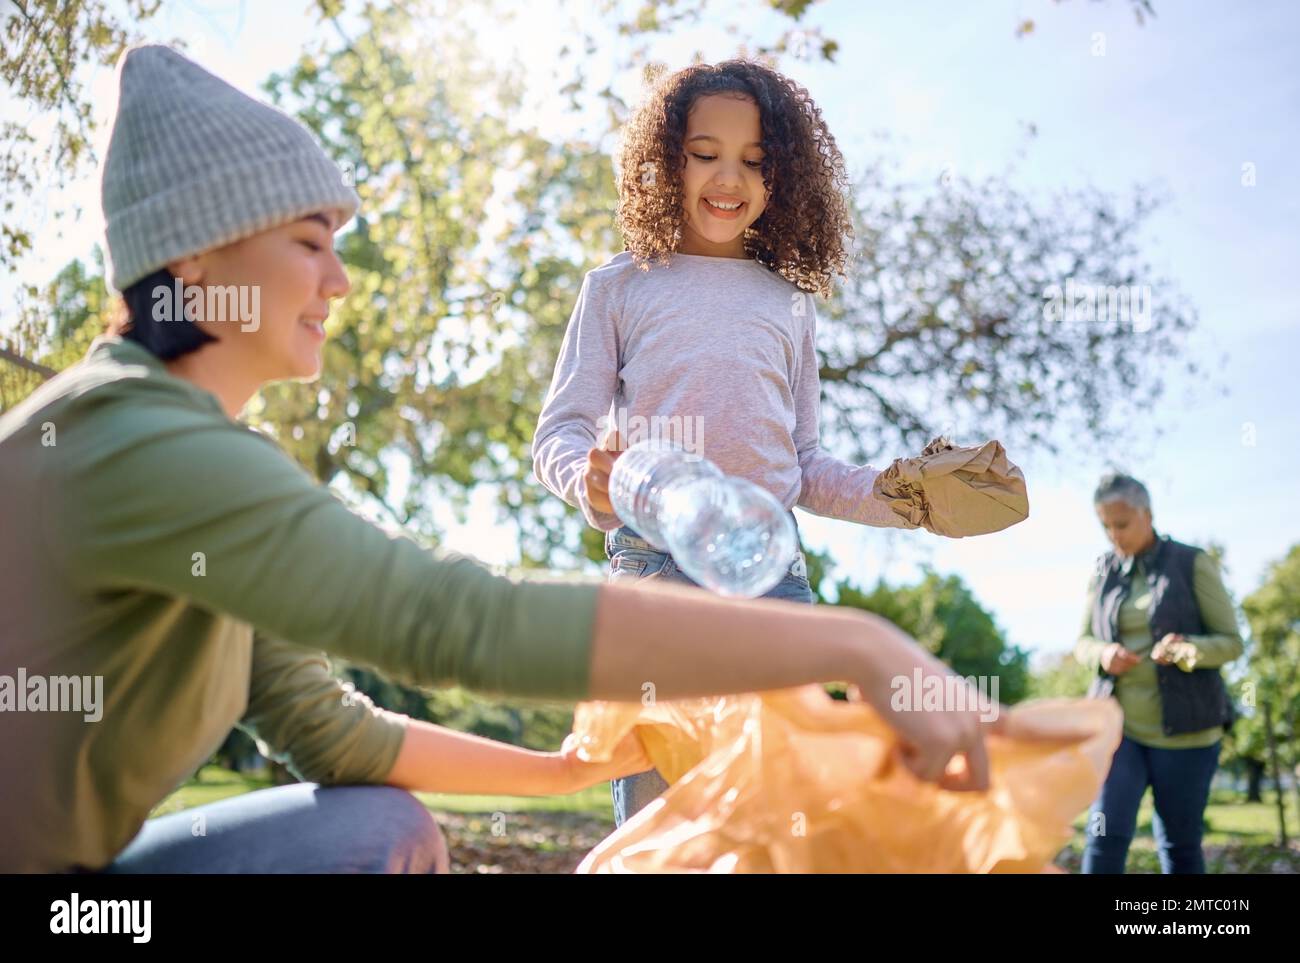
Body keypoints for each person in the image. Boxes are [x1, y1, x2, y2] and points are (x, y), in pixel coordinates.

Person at [0, 46, 996, 874]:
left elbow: (329, 732)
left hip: (80, 880)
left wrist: (565, 768)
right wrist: (857, 644)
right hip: (660, 567)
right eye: (312, 241)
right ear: (197, 259)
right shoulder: (139, 444)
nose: (342, 281)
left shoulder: (208, 460)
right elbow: (452, 616)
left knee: (384, 828)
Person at [532, 60, 933, 827]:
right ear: (666, 159)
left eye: (755, 161)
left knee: (776, 812)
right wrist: (585, 479)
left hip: (771, 580)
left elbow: (806, 464)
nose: (729, 177)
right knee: (660, 817)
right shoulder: (618, 287)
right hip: (653, 574)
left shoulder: (788, 305)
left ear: (783, 178)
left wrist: (899, 496)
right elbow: (562, 431)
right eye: (705, 152)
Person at [1075, 472, 1242, 874]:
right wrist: (1103, 653)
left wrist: (1189, 650)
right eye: (1105, 526)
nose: (1114, 534)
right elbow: (1082, 641)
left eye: (1122, 524)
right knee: (1104, 835)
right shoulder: (1102, 571)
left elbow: (1232, 641)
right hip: (1120, 730)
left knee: (1180, 845)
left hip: (1188, 731)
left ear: (1147, 514)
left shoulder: (1191, 563)